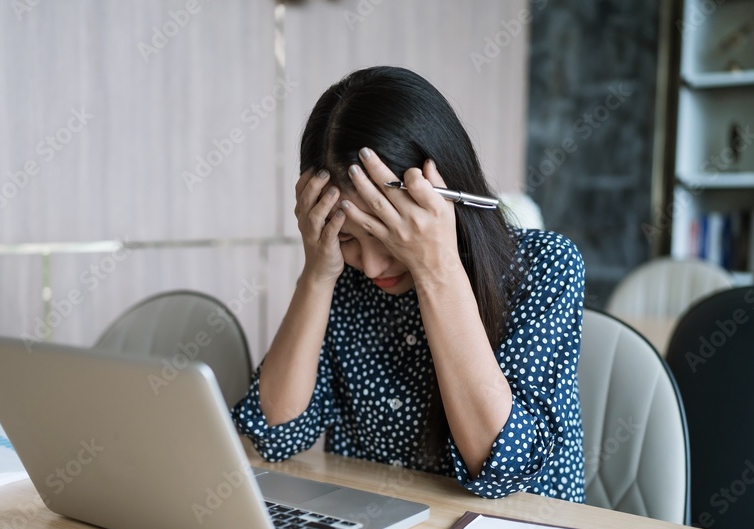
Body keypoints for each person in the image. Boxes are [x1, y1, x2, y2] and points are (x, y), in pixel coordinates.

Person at [231, 66, 585, 501]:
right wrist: (318, 273)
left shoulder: (545, 266)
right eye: (348, 239)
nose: (373, 265)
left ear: (442, 192)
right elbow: (274, 434)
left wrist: (436, 267)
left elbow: (502, 470)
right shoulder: (345, 278)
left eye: (386, 233)